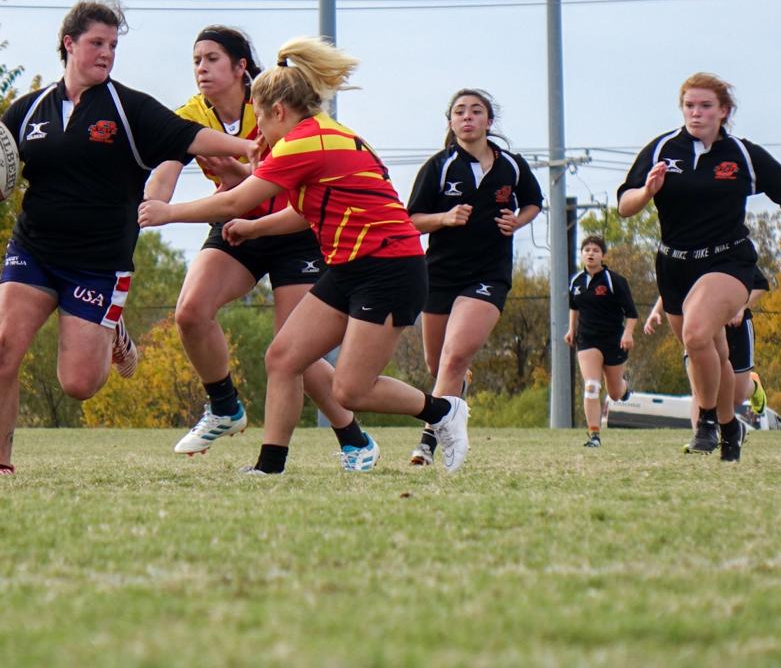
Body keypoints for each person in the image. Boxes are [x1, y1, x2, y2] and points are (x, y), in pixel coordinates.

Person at [0, 0, 257, 475]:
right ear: (69, 44)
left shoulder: (129, 108)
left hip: (98, 262)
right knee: (3, 349)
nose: (107, 53)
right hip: (34, 250)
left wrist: (250, 147)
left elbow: (191, 136)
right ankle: (0, 464)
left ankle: (112, 329)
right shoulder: (29, 110)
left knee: (79, 384)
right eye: (97, 43)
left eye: (113, 45)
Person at [139, 36, 469, 475]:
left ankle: (443, 411)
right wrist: (255, 228)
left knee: (350, 390)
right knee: (283, 357)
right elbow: (304, 211)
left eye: (261, 120)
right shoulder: (330, 133)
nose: (259, 136)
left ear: (278, 112)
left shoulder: (302, 143)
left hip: (390, 269)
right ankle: (269, 466)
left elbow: (235, 200)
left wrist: (168, 213)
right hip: (348, 267)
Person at [142, 26, 368, 466]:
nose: (201, 68)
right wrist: (151, 204)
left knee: (293, 352)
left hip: (293, 229)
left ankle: (354, 439)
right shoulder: (192, 113)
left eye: (212, 59)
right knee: (190, 311)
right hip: (237, 226)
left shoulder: (272, 101)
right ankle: (224, 406)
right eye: (196, 60)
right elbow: (166, 169)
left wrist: (237, 177)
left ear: (240, 66)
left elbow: (281, 181)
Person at [618, 72, 781, 462]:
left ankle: (706, 420)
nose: (696, 112)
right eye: (689, 105)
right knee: (711, 351)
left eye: (705, 106)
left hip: (728, 260)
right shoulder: (662, 149)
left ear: (723, 111)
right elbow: (625, 205)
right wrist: (647, 191)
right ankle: (729, 427)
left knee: (695, 336)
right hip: (674, 265)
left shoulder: (741, 154)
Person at [404, 89, 542, 467]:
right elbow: (411, 220)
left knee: (454, 357)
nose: (468, 117)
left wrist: (518, 221)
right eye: (460, 111)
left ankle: (427, 443)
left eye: (476, 111)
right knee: (439, 366)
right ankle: (457, 393)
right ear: (451, 122)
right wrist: (444, 218)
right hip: (440, 275)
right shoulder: (440, 166)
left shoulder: (511, 165)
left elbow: (534, 201)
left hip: (488, 275)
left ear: (489, 121)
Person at [644, 267, 770, 424]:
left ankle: (753, 385)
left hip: (736, 326)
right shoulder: (688, 258)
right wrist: (656, 311)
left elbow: (760, 284)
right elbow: (673, 285)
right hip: (700, 327)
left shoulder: (730, 255)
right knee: (699, 389)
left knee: (736, 396)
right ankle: (701, 436)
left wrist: (740, 307)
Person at [563, 236, 638, 447]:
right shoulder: (576, 281)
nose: (590, 253)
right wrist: (571, 329)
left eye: (595, 250)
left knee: (614, 394)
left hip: (614, 340)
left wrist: (628, 334)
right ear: (581, 254)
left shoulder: (615, 280)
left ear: (602, 255)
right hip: (587, 340)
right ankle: (594, 435)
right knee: (591, 386)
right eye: (586, 249)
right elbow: (574, 307)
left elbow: (632, 313)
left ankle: (624, 388)